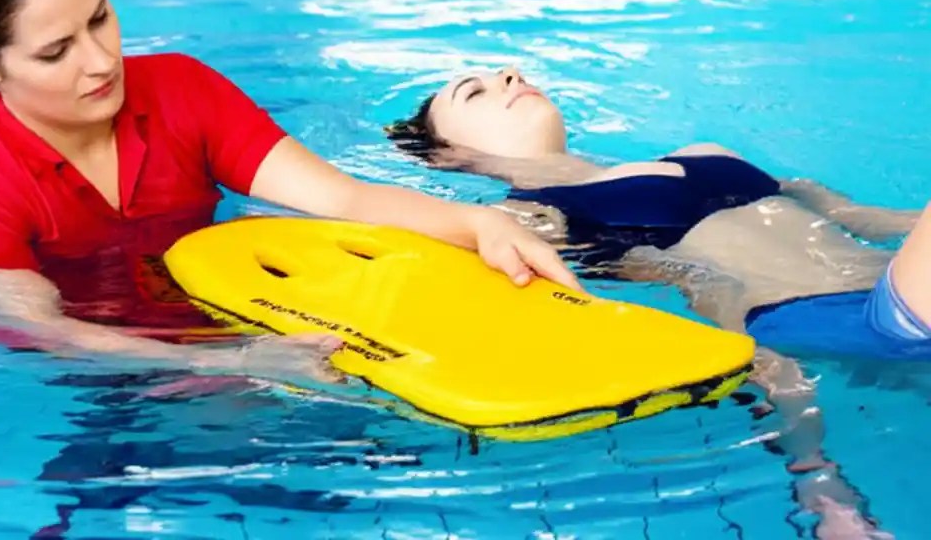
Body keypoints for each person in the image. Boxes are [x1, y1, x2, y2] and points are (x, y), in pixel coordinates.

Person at [0, 0, 579, 389]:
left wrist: (476, 222)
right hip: (93, 380)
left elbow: (339, 197)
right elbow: (43, 331)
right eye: (56, 52)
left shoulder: (180, 91)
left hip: (221, 313)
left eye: (101, 17)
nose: (101, 60)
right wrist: (220, 362)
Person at [386, 65, 927, 539]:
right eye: (473, 93)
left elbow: (867, 220)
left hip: (893, 283)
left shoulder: (704, 153)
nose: (510, 75)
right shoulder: (528, 220)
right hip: (830, 318)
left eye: (505, 73)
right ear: (446, 156)